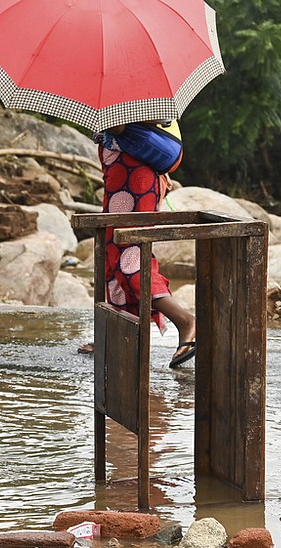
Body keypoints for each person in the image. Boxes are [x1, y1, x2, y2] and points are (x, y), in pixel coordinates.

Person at [80, 121, 196, 368]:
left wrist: (109, 119)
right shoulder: (127, 101)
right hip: (121, 181)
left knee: (129, 261)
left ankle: (185, 321)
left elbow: (121, 128)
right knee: (112, 260)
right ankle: (116, 335)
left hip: (135, 182)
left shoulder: (127, 102)